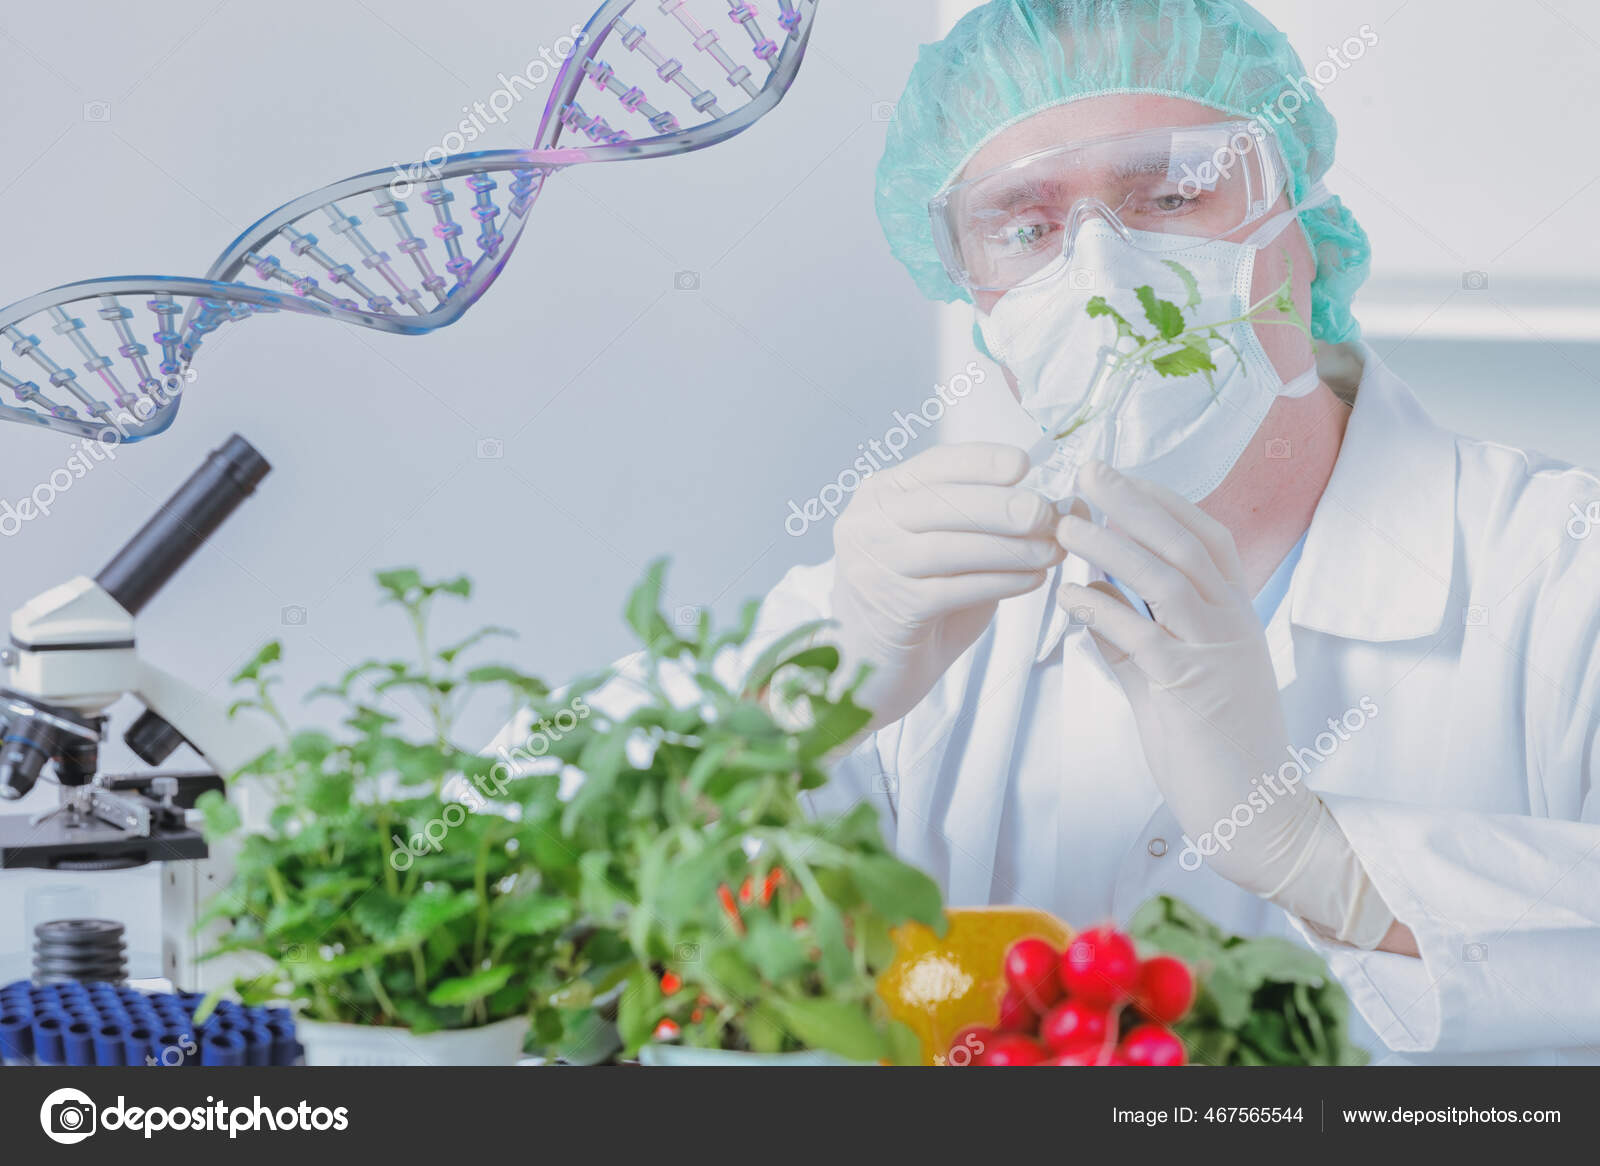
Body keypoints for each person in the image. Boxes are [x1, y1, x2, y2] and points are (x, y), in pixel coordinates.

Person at [751, 0, 1600, 1062]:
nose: (1104, 270)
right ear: (981, 309)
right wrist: (792, 732)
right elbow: (540, 906)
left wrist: (1319, 855)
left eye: (1175, 192)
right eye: (1027, 227)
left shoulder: (1563, 575)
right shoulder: (886, 604)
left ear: (1307, 227)